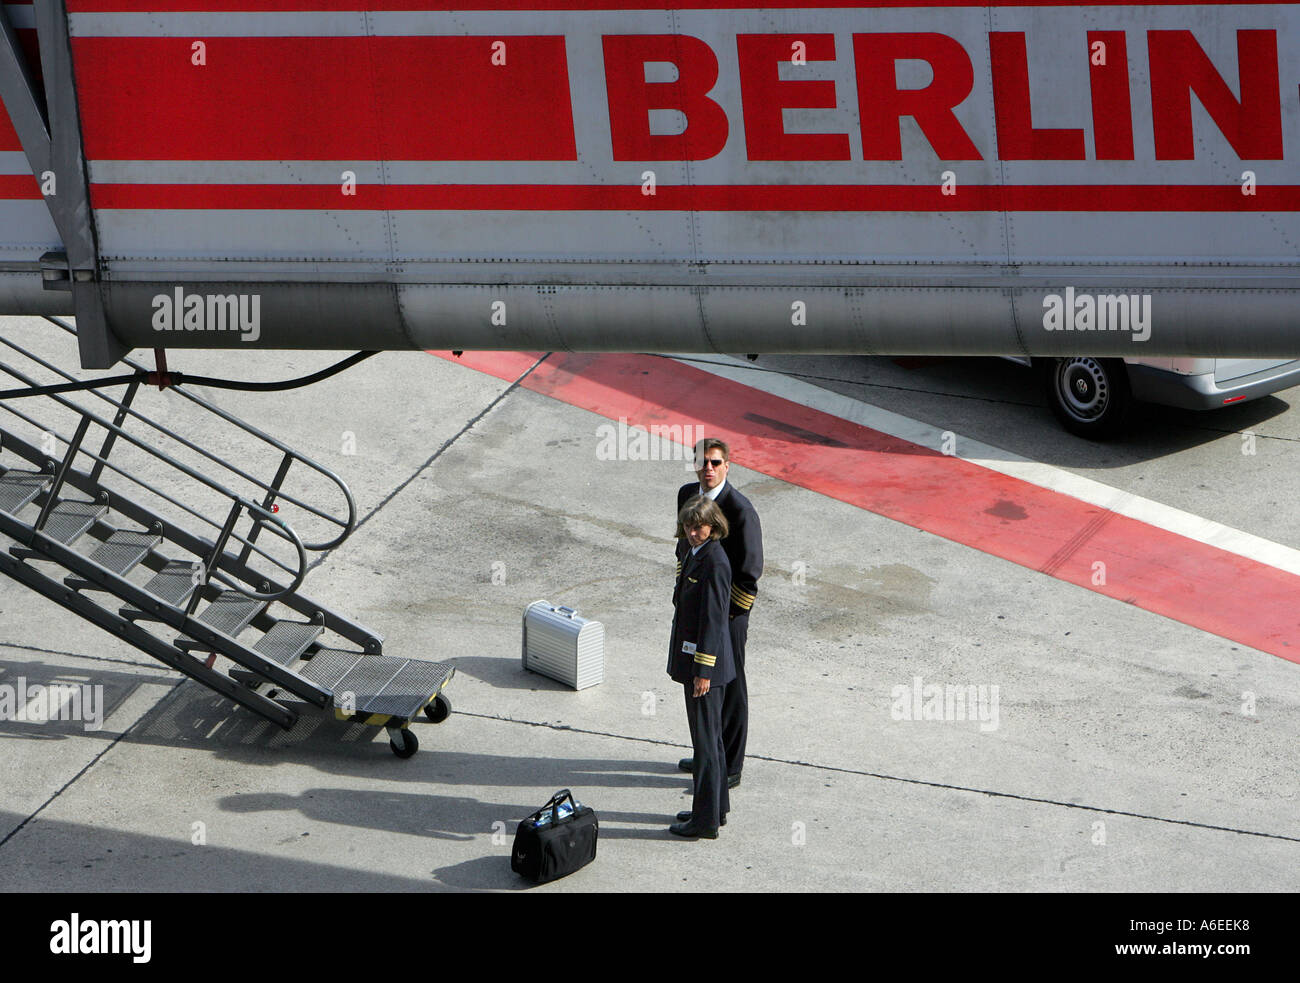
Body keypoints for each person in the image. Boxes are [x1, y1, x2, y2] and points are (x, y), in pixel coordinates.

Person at [675, 438, 763, 789]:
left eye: (715, 462)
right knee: (699, 688)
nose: (708, 468)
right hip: (697, 610)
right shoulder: (687, 495)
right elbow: (684, 545)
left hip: (726, 616)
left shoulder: (740, 510)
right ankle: (707, 752)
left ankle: (729, 764)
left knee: (729, 682)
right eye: (702, 462)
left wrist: (728, 618)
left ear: (728, 466)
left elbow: (750, 572)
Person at [667, 495, 734, 838]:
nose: (693, 533)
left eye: (700, 527)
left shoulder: (715, 563)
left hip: (704, 669)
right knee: (710, 742)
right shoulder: (692, 551)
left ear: (714, 527)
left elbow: (714, 621)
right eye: (689, 527)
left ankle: (704, 821)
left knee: (706, 746)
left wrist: (703, 671)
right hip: (695, 662)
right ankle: (715, 809)